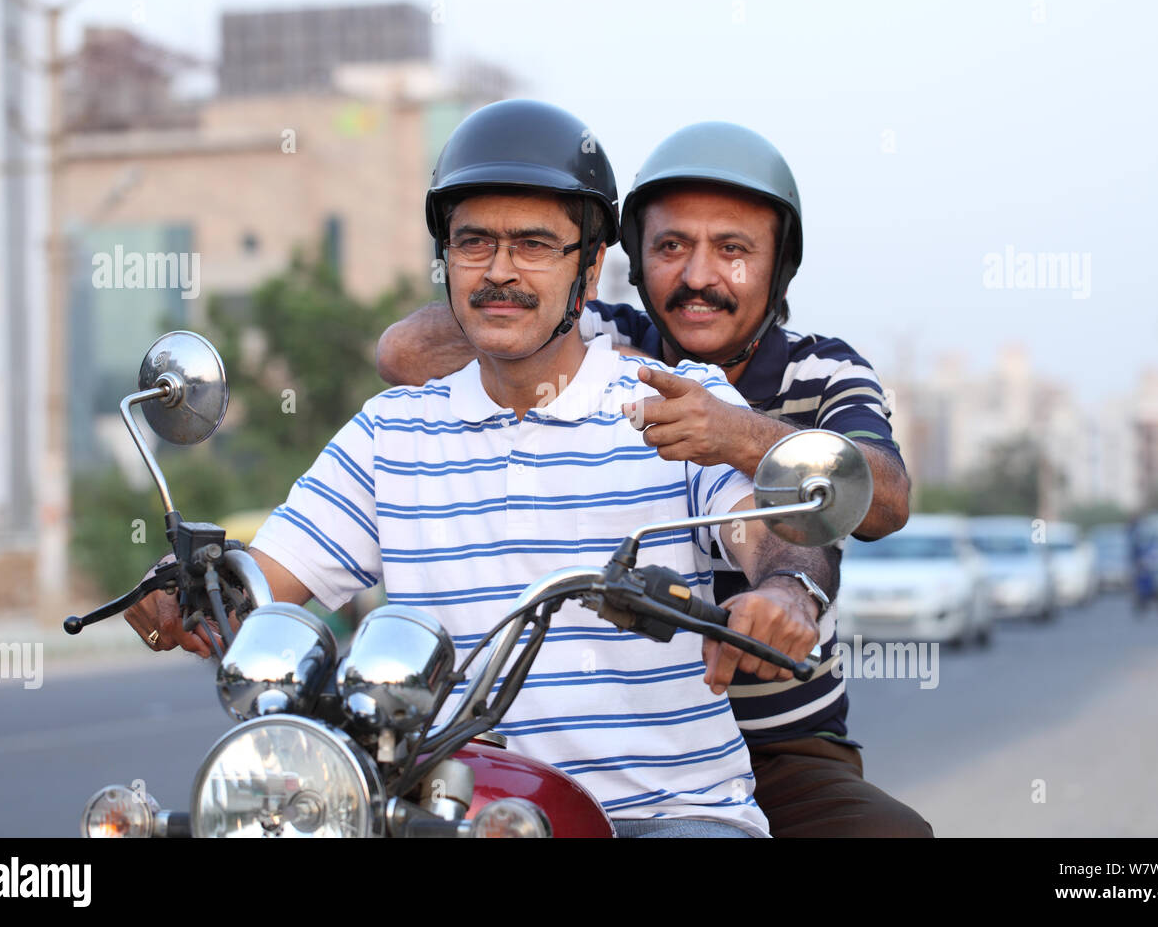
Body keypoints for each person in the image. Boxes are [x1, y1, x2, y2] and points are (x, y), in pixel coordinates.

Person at [125, 100, 832, 838]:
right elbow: (267, 577)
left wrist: (787, 589)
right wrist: (188, 590)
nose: (500, 270)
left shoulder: (677, 405)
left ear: (588, 269)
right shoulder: (390, 430)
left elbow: (774, 525)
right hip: (457, 812)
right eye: (473, 243)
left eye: (533, 244)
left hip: (664, 815)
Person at [377, 121, 932, 837]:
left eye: (733, 250)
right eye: (671, 248)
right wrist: (542, 302)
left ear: (778, 267)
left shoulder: (822, 370)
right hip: (602, 748)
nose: (699, 276)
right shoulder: (595, 339)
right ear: (629, 264)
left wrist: (737, 434)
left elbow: (886, 499)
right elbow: (404, 355)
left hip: (779, 749)